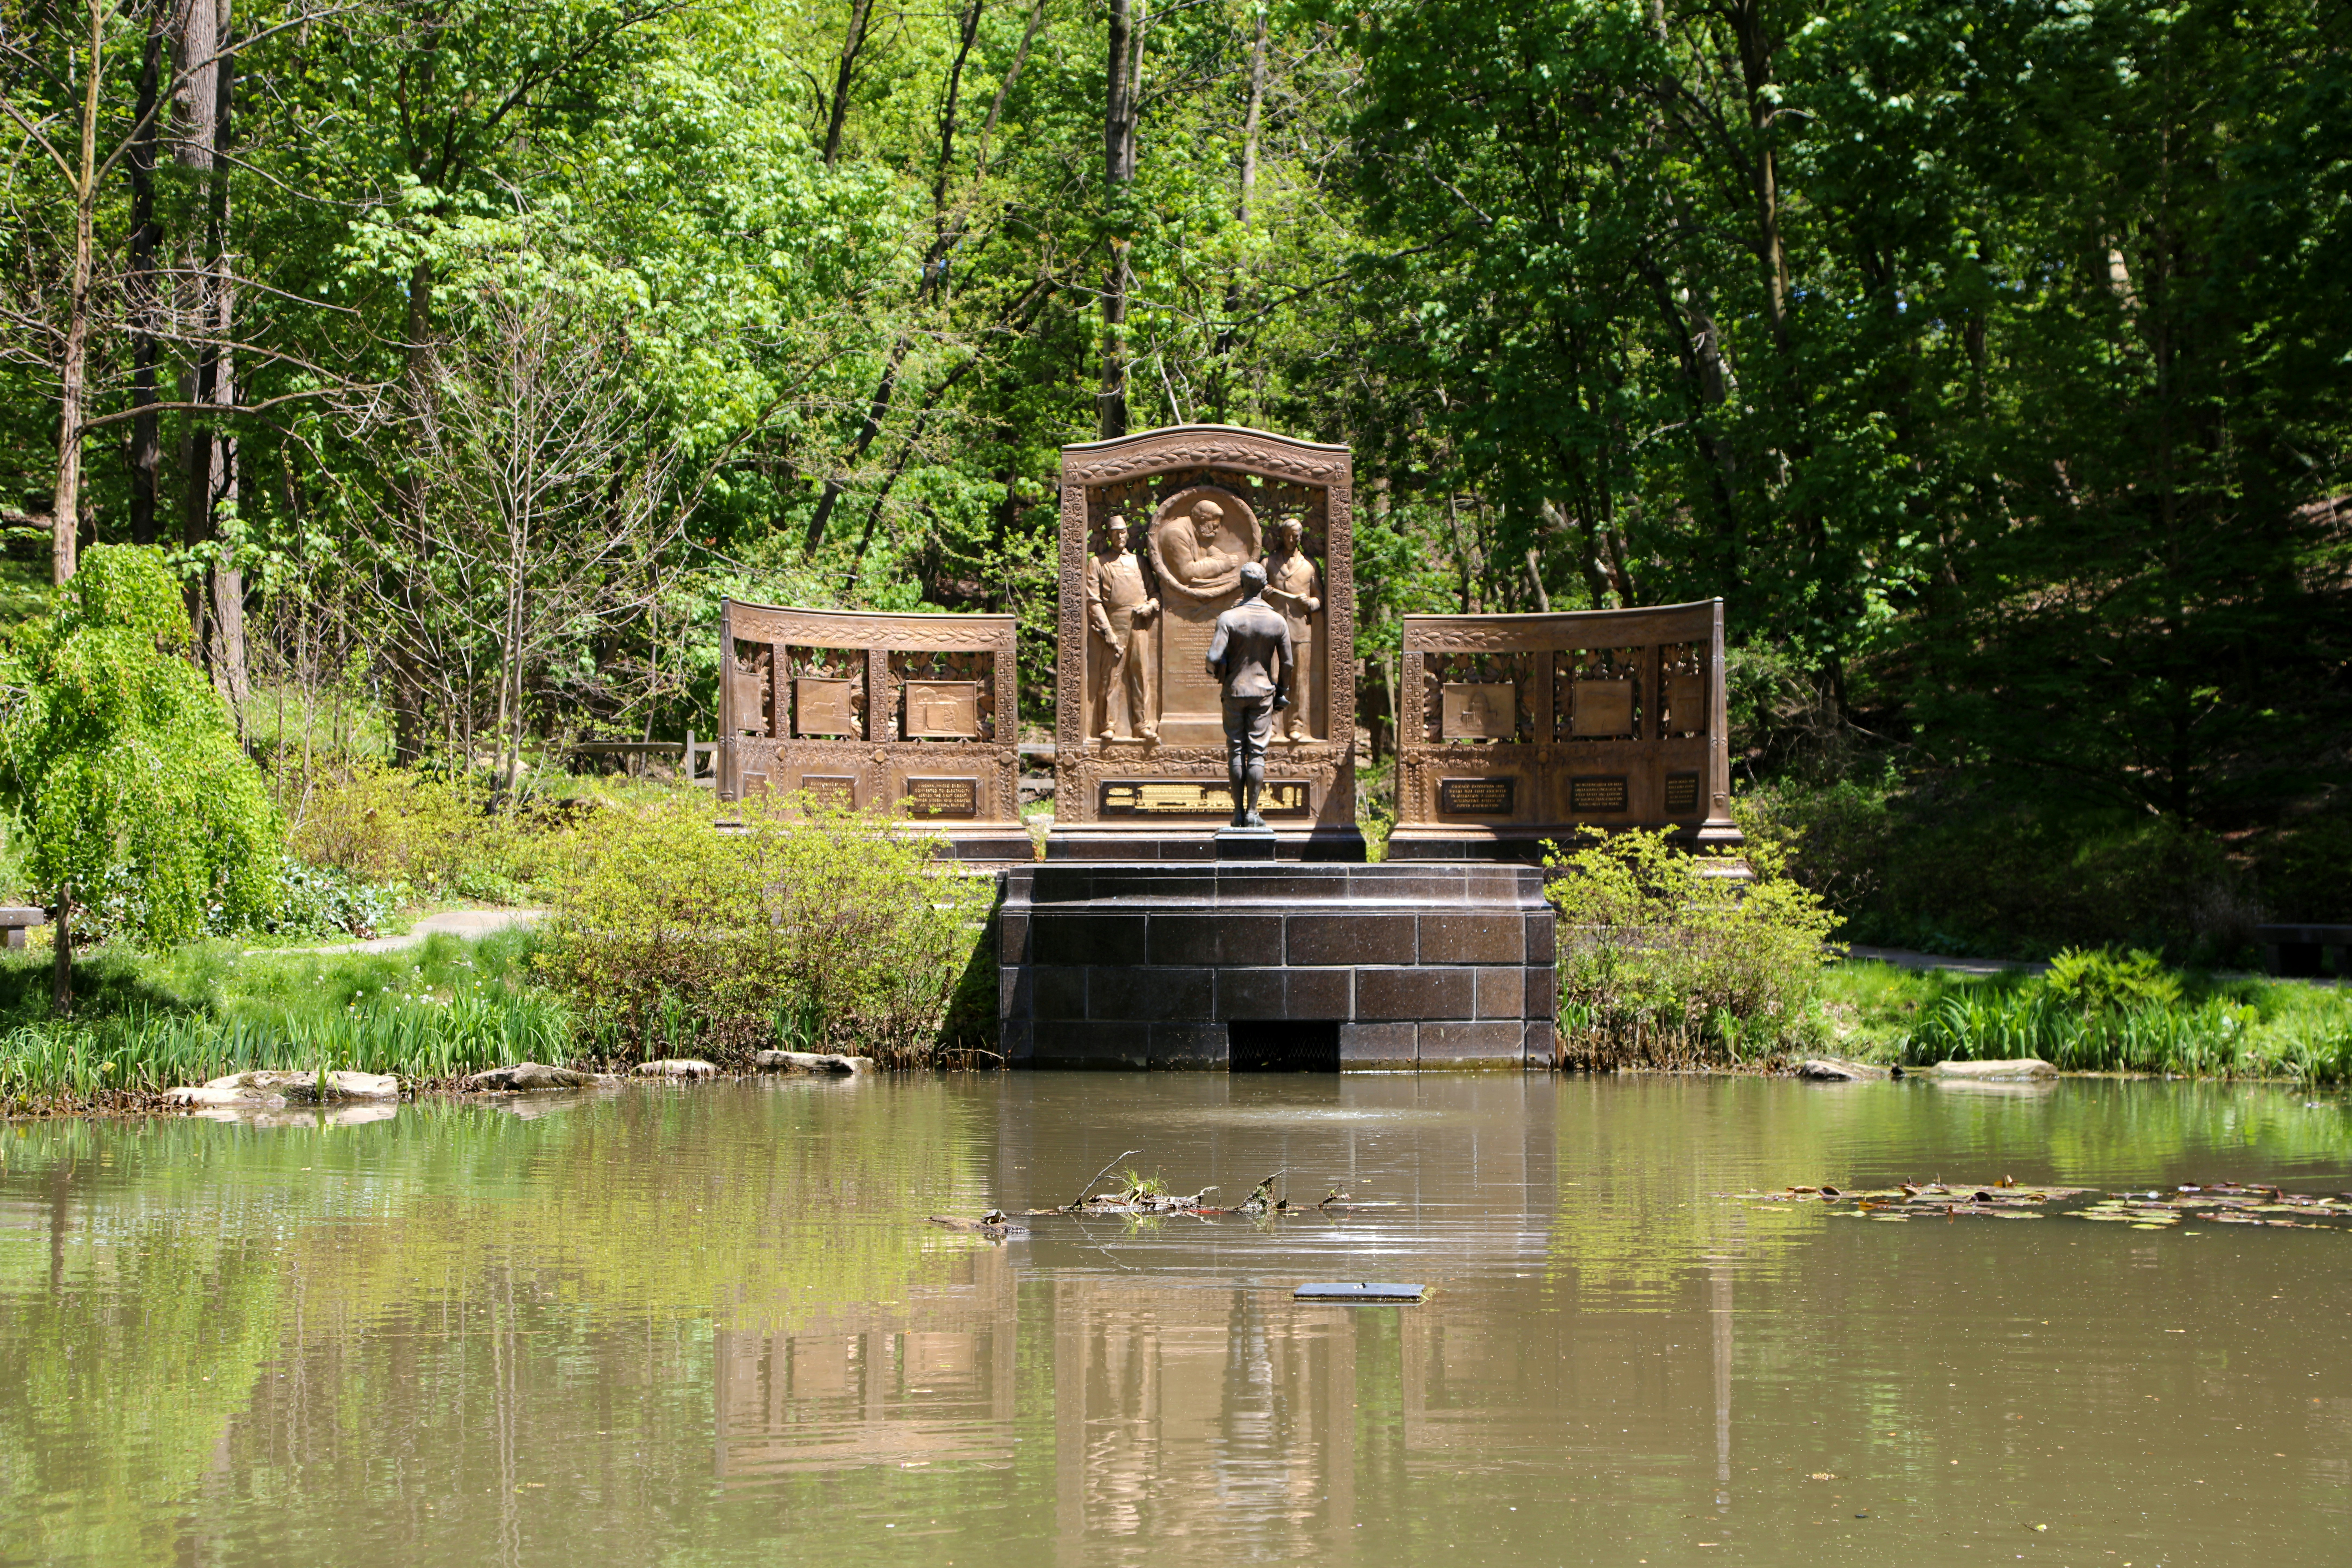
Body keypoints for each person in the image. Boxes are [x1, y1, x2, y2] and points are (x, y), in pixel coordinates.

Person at [1204, 561, 1293, 827]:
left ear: (1243, 586)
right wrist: (1282, 692)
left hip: (1234, 691)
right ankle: (1253, 813)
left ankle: (1238, 813)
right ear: (1265, 587)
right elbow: (1288, 663)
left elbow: (1212, 657)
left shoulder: (1229, 618)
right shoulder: (1278, 621)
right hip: (1263, 692)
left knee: (1236, 750)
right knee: (1257, 753)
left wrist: (1219, 670)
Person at [1084, 515, 1159, 740]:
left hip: (1139, 623)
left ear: (1128, 533)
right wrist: (1107, 630)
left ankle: (1142, 725)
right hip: (1115, 621)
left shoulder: (1140, 562)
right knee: (1111, 676)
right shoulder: (1098, 562)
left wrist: (1150, 606)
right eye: (1115, 532)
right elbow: (1093, 601)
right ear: (1108, 535)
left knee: (1140, 674)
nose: (1120, 536)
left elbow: (1155, 593)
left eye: (1123, 532)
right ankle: (1107, 725)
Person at [1262, 517, 1322, 740]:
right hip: (1272, 630)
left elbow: (1320, 598)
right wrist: (1263, 594)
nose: (1291, 539)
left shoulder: (1310, 566)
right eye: (1288, 534)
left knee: (1299, 679)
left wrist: (1311, 603)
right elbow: (1250, 592)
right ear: (1281, 536)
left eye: (1295, 535)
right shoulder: (1268, 563)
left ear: (1301, 537)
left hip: (1300, 630)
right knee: (1273, 678)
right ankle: (1272, 725)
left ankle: (1297, 724)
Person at [1157, 496, 1246, 587]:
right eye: (1214, 526)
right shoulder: (1176, 534)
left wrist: (1223, 557)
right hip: (1179, 595)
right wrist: (1222, 565)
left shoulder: (1196, 530)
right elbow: (1186, 573)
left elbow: (1206, 548)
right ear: (1203, 520)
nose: (1216, 531)